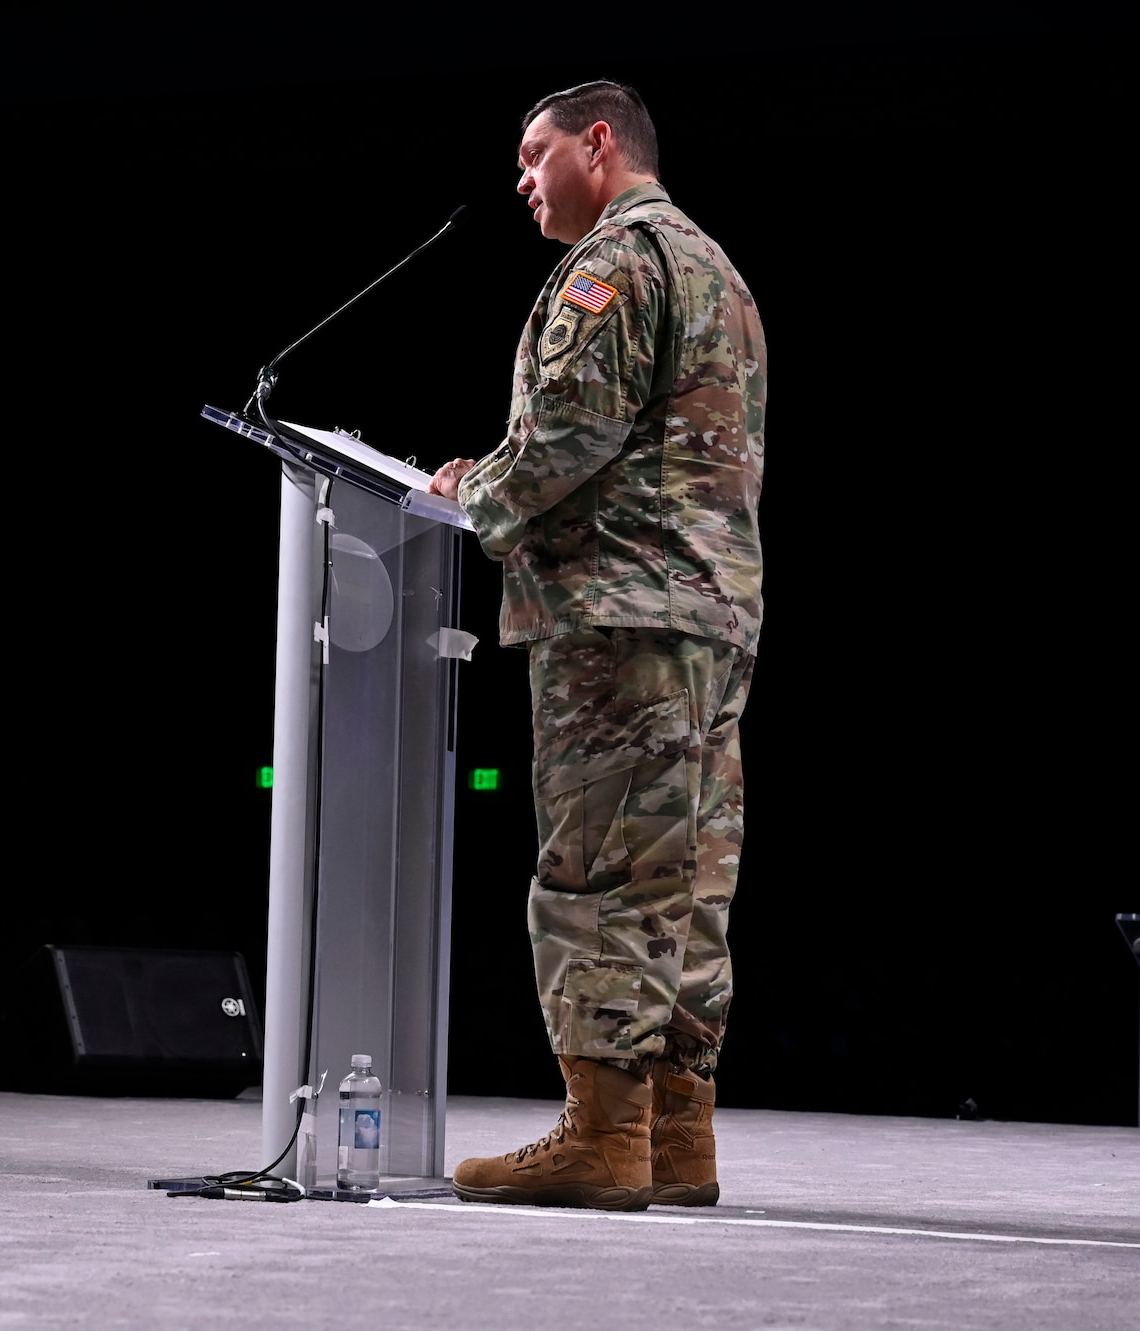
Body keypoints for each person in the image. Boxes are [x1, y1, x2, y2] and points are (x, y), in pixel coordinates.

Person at [429, 82, 765, 1212]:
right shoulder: (718, 270)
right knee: (685, 881)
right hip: (712, 618)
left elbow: (568, 431)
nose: (522, 177)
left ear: (598, 141)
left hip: (618, 619)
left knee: (600, 872)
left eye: (534, 153)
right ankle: (678, 1136)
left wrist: (467, 492)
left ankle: (603, 1136)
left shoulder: (611, 264)